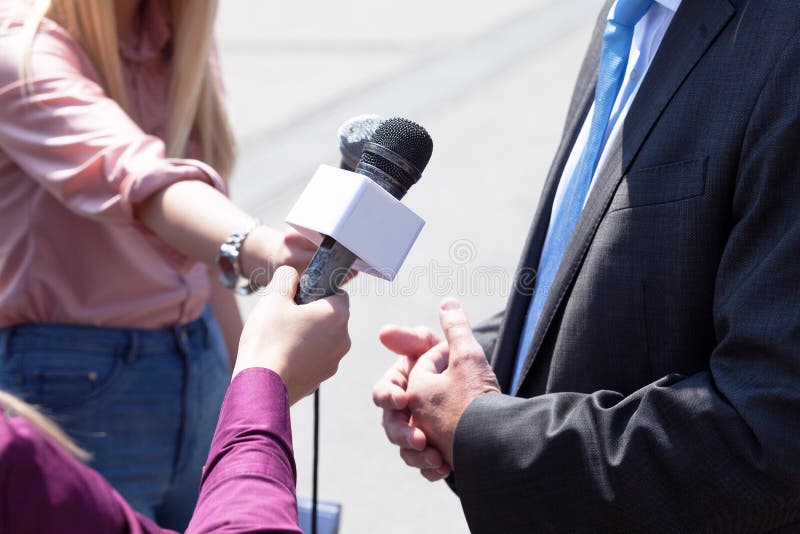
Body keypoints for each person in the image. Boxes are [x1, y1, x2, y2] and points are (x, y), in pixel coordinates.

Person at [374, 0, 800, 532]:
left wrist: (485, 428)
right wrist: (470, 365)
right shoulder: (629, 14)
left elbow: (769, 432)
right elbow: (609, 268)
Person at [0, 0, 316, 529]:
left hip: (197, 352)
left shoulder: (178, 39)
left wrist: (255, 378)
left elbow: (202, 250)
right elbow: (136, 176)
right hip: (75, 381)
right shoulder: (22, 51)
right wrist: (261, 247)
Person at [1, 266, 350, 534]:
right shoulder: (12, 454)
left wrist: (246, 370)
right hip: (88, 390)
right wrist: (263, 378)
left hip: (194, 355)